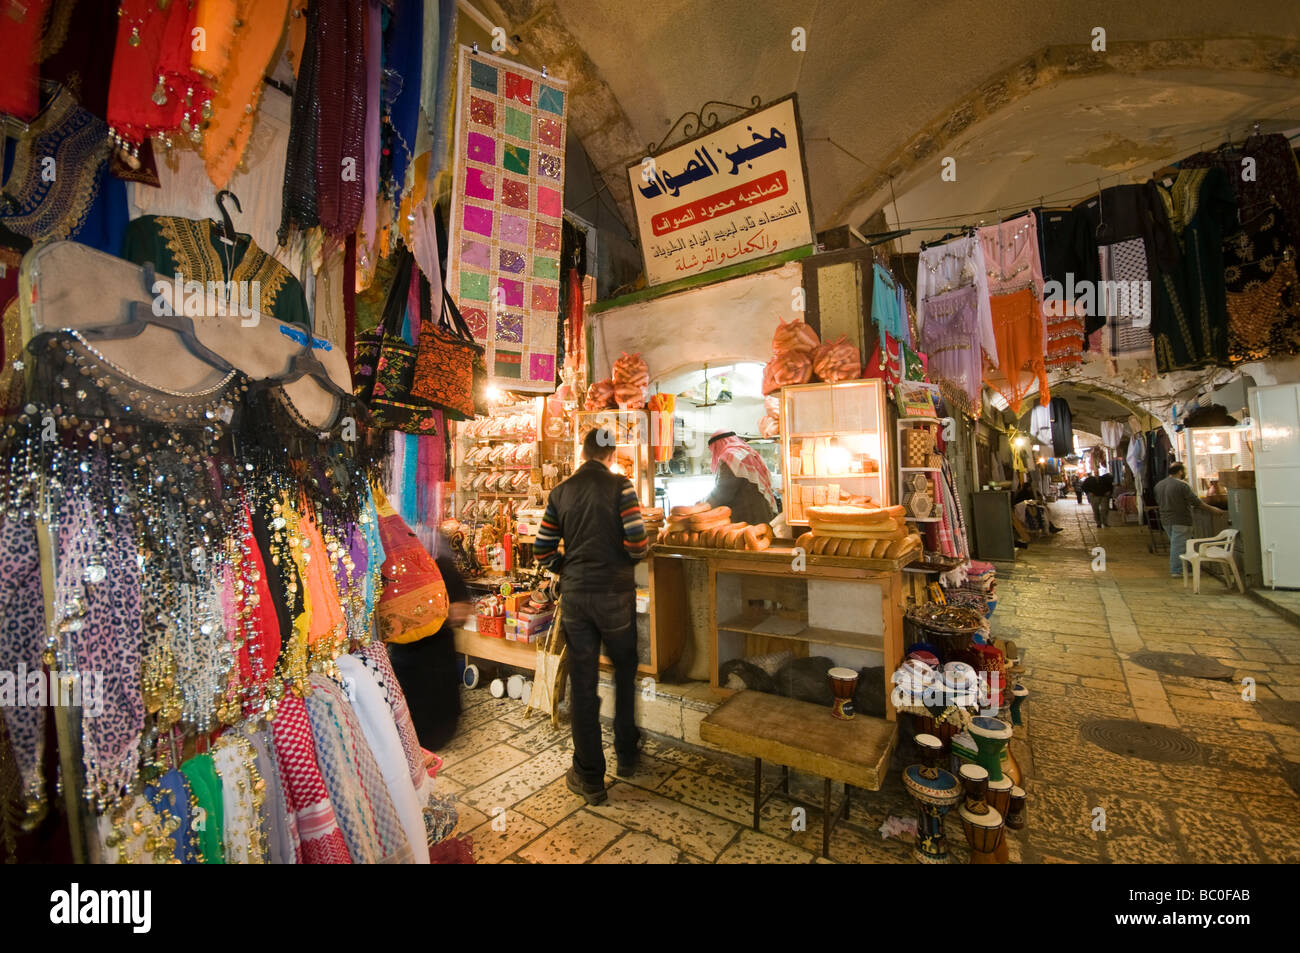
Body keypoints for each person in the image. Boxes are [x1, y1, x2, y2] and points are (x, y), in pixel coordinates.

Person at [533, 427, 648, 805]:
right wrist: (623, 558)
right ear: (611, 454)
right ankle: (627, 755)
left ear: (583, 453)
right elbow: (638, 543)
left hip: (578, 597)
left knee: (583, 684)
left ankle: (589, 777)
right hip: (615, 596)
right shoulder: (622, 488)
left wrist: (567, 566)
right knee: (625, 673)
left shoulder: (560, 492)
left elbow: (542, 549)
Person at [387, 536, 473, 751]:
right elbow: (460, 610)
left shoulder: (433, 552)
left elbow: (459, 609)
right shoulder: (431, 548)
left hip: (426, 661)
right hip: (420, 663)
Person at [1154, 462, 1221, 578]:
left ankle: (1186, 568)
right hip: (1181, 519)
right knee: (1178, 546)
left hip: (1165, 520)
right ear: (1180, 471)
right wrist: (1213, 510)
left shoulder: (1159, 485)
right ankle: (1177, 570)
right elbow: (1196, 502)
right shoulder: (1182, 485)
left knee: (1178, 545)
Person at [701, 431, 778, 525]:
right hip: (762, 513)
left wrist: (701, 505)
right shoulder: (747, 452)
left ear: (717, 445)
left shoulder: (729, 457)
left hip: (747, 518)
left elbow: (723, 492)